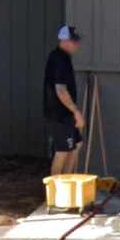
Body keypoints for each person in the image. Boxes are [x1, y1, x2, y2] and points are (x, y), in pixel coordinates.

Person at [45, 24, 87, 176]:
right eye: (73, 41)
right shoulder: (58, 59)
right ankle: (54, 188)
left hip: (66, 113)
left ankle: (67, 182)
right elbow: (60, 90)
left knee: (76, 145)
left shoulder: (65, 58)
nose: (77, 44)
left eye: (77, 41)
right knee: (63, 151)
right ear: (63, 40)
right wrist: (76, 112)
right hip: (59, 114)